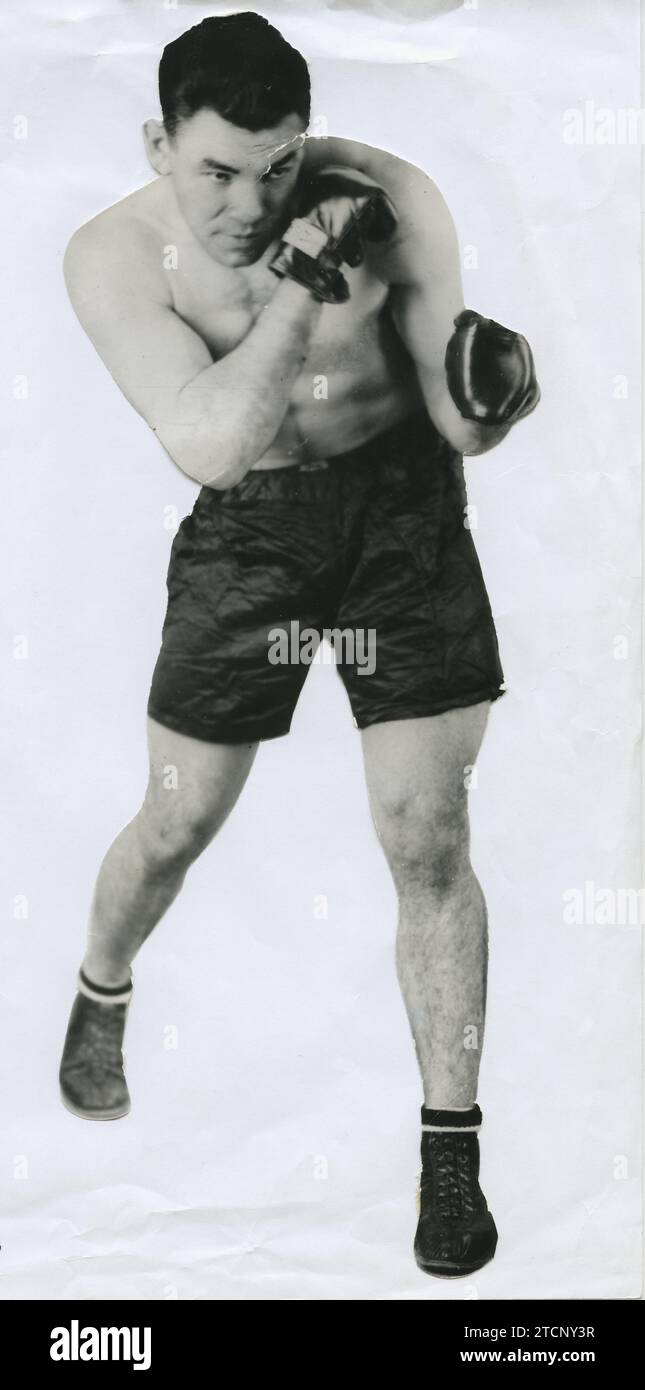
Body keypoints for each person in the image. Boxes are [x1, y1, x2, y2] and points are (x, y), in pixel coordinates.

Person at [59, 12, 539, 1279]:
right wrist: (305, 283)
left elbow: (455, 409)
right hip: (250, 526)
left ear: (305, 140)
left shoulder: (392, 196)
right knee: (174, 821)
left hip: (401, 506)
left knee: (427, 834)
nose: (251, 201)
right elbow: (210, 444)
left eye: (278, 169)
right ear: (160, 143)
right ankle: (103, 985)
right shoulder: (112, 254)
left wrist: (491, 394)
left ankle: (449, 1158)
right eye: (217, 171)